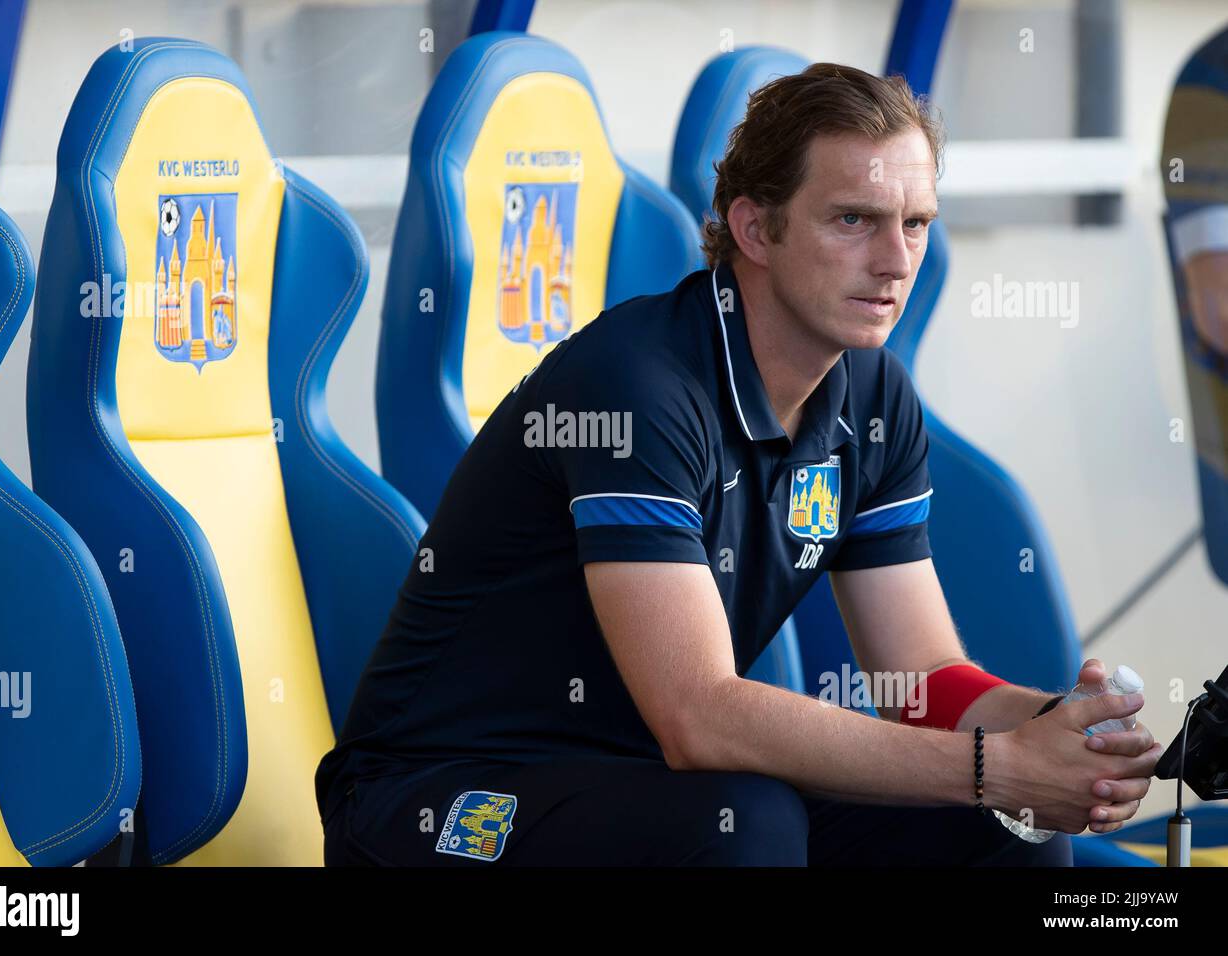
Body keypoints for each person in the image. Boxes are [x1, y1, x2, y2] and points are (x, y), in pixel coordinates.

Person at [315, 63, 1162, 866]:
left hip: (642, 786)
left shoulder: (873, 392)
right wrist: (999, 767)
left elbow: (925, 685)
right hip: (436, 798)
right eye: (853, 219)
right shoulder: (634, 386)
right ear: (755, 227)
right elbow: (698, 717)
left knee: (1000, 828)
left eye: (915, 224)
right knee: (744, 826)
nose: (897, 261)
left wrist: (1058, 735)